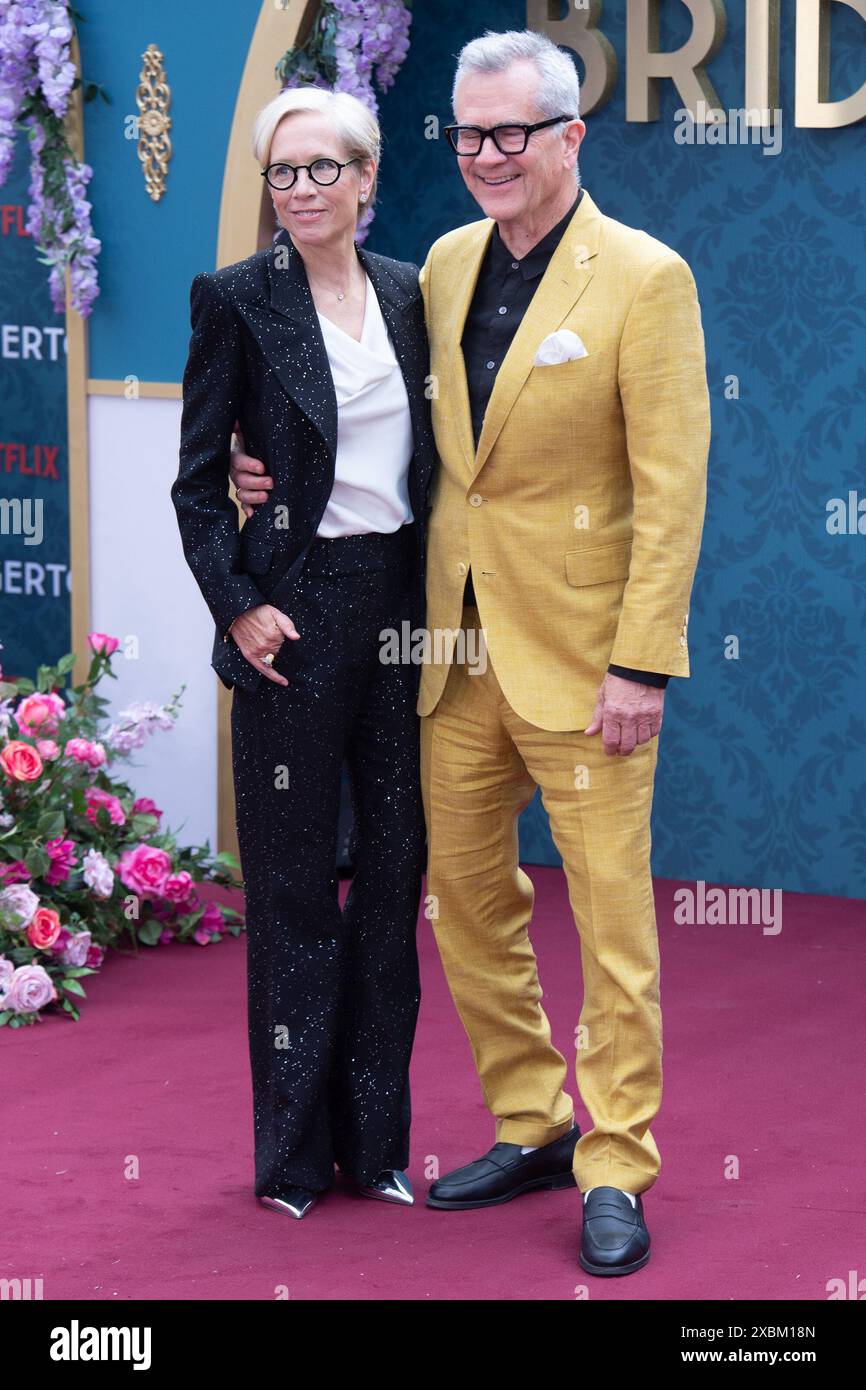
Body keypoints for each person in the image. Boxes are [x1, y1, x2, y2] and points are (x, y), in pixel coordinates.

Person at [231, 28, 710, 1274]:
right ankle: (530, 1120)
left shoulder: (644, 277)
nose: (488, 154)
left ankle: (615, 1159)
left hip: (585, 657)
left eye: (512, 132)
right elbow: (365, 410)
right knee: (468, 905)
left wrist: (642, 662)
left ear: (568, 137)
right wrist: (262, 468)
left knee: (610, 921)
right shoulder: (437, 265)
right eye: (468, 133)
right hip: (446, 650)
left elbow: (671, 491)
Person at [171, 86, 436, 1219]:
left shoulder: (409, 292)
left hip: (402, 605)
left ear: (367, 177)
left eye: (322, 169)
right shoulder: (236, 299)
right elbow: (195, 480)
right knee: (289, 894)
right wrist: (237, 605)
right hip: (292, 610)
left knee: (390, 881)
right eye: (283, 175)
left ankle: (373, 1145)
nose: (302, 192)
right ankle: (288, 1161)